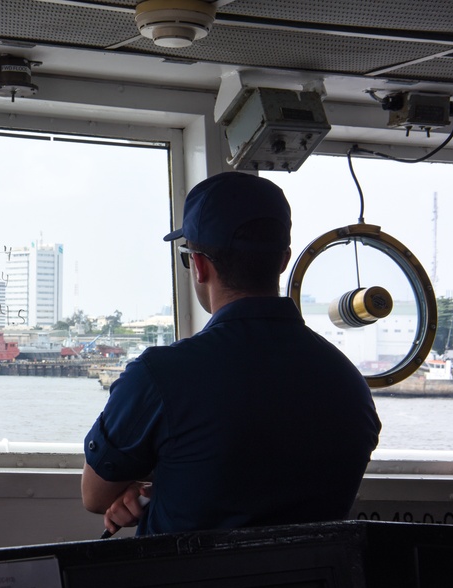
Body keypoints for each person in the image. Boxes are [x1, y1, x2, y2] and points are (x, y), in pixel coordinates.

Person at [81, 171, 380, 537]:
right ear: (283, 260)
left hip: (183, 575)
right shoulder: (349, 383)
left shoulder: (161, 376)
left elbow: (95, 495)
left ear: (199, 265)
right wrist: (177, 482)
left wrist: (158, 483)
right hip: (318, 574)